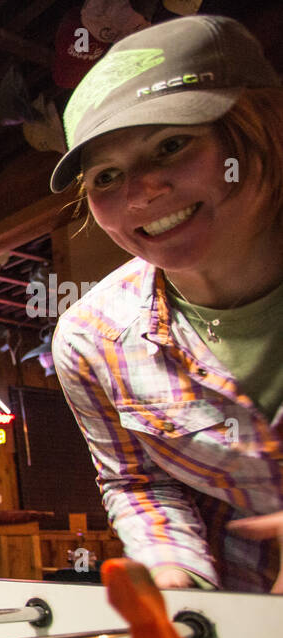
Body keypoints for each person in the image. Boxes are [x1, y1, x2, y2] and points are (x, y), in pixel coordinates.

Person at [50, 15, 283, 593]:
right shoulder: (90, 338)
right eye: (106, 176)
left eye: (171, 145)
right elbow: (136, 481)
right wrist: (171, 575)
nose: (139, 192)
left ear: (266, 124)